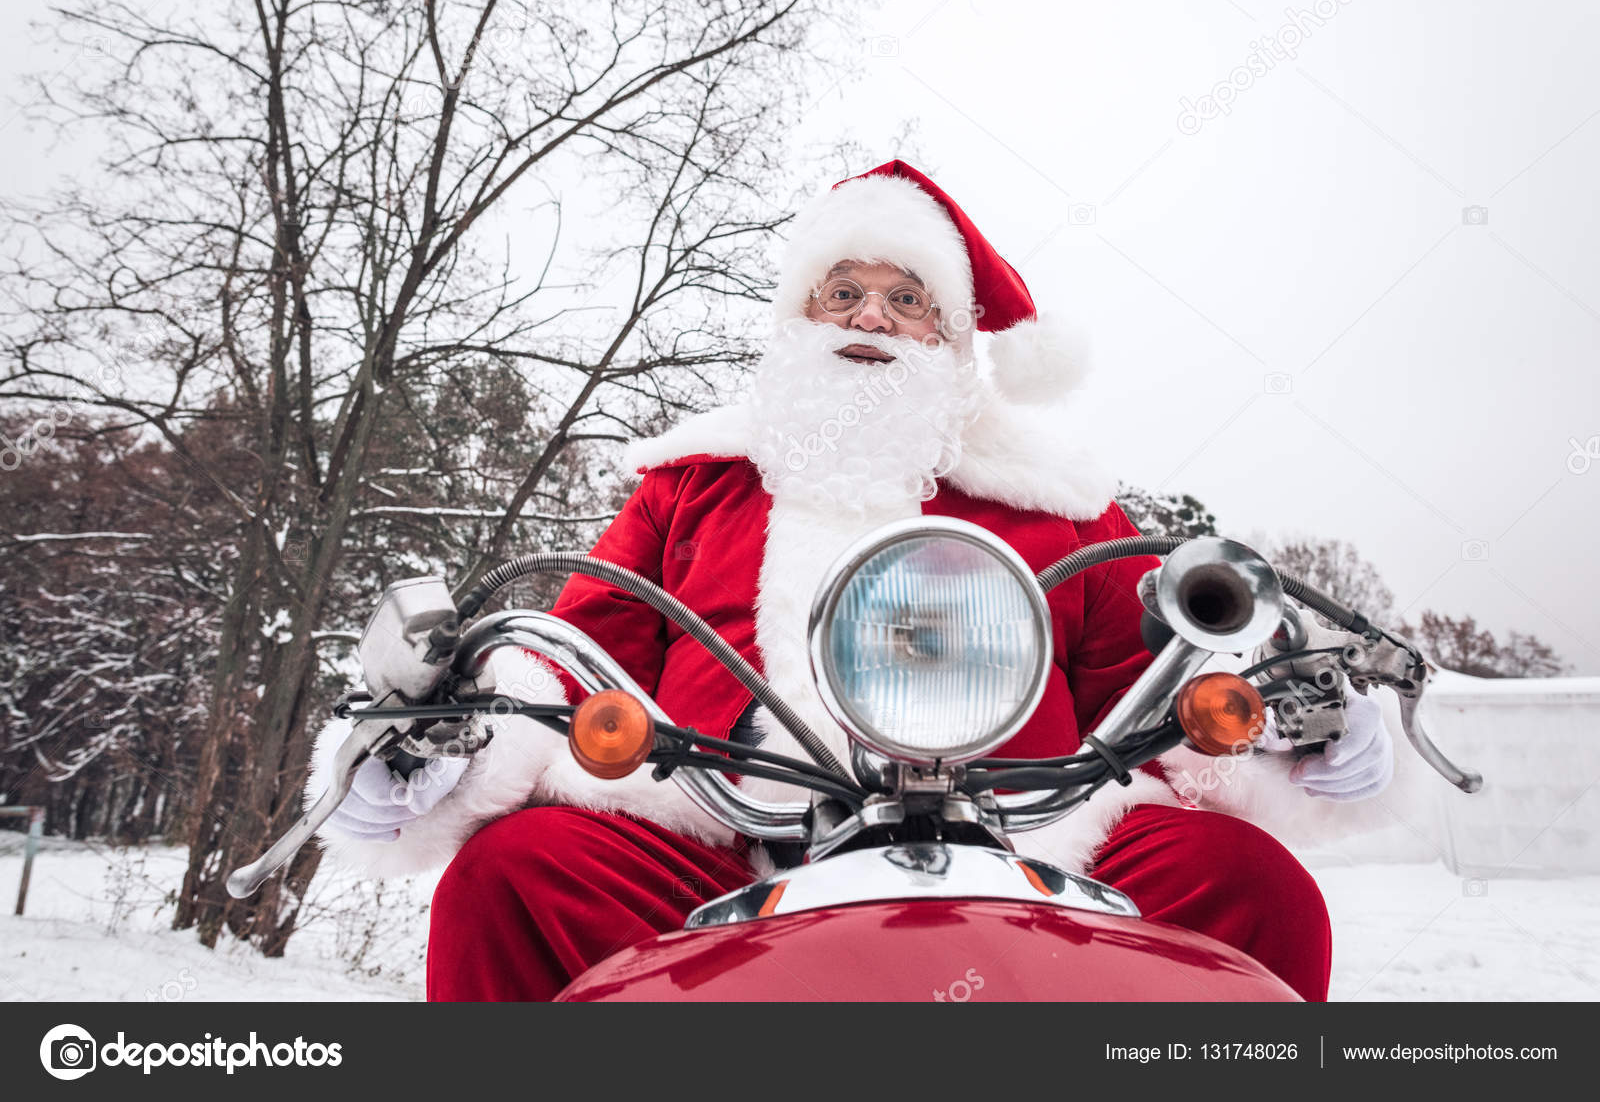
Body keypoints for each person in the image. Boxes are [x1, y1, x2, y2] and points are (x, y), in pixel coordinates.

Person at [309, 160, 1401, 1002]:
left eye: (907, 296)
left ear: (954, 335)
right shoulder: (693, 483)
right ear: (800, 317)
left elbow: (1145, 681)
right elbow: (577, 642)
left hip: (1035, 838)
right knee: (513, 874)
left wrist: (1276, 727)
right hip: (716, 835)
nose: (870, 315)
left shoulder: (1055, 499)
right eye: (842, 289)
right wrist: (454, 732)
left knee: (1252, 885)